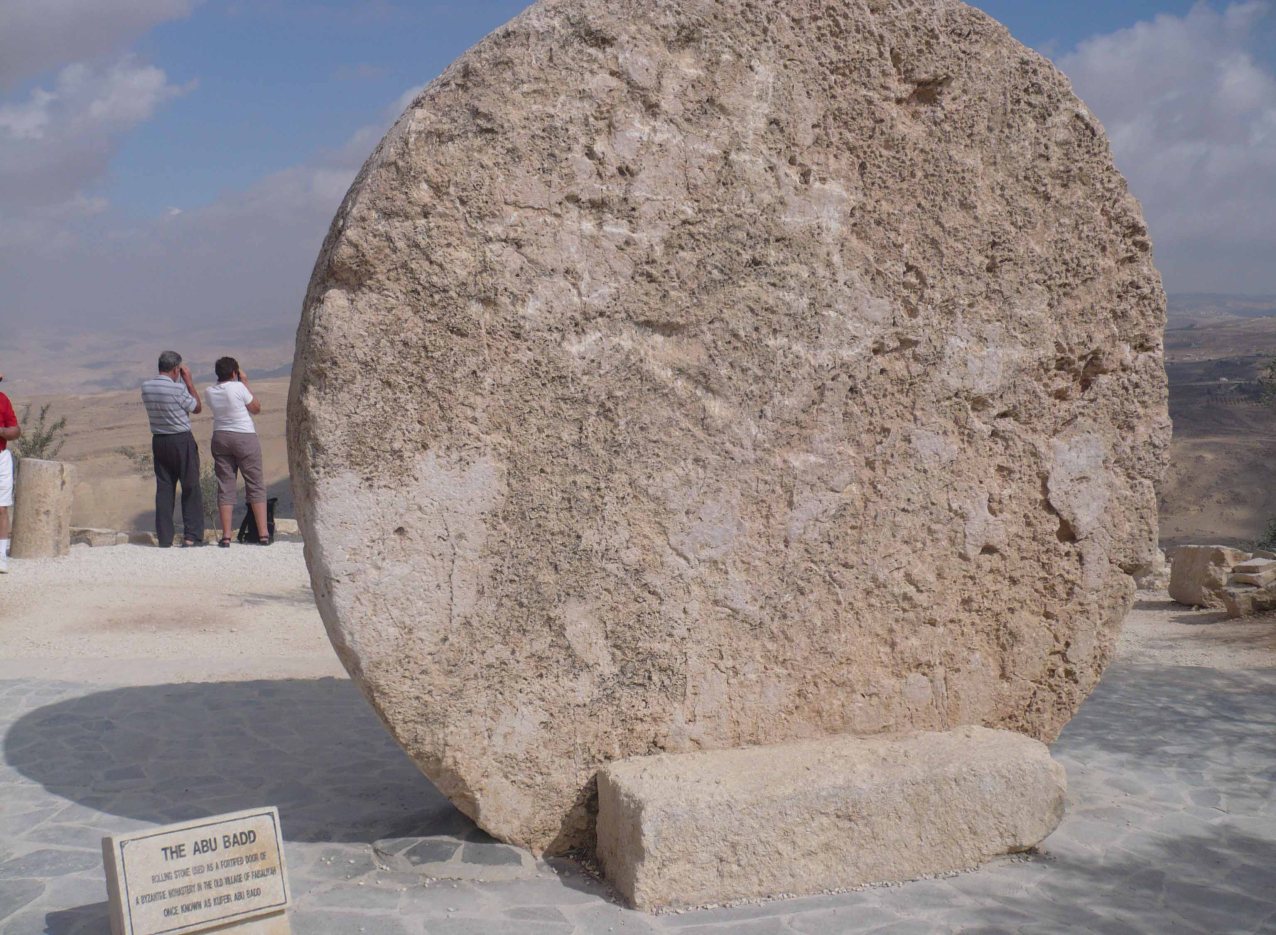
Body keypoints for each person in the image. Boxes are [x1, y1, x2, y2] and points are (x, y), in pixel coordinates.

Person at [142, 351, 205, 547]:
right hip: (181, 440)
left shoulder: (146, 387)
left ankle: (165, 538)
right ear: (176, 369)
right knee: (190, 486)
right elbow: (197, 407)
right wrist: (189, 383)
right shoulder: (178, 389)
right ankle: (191, 536)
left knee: (164, 488)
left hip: (159, 440)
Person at [205, 357, 269, 547]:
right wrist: (245, 382)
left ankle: (226, 536)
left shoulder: (209, 392)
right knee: (255, 483)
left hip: (220, 436)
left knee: (225, 485)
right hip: (244, 436)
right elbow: (255, 408)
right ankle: (263, 534)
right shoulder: (239, 387)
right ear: (234, 373)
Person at [0, 371, 20, 573]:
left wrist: (1, 431)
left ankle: (1, 556)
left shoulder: (3, 400)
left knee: (2, 508)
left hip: (1, 457)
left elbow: (15, 430)